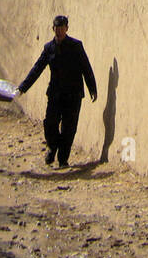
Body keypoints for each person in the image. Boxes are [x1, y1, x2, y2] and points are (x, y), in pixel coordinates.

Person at [16, 15, 97, 169]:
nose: (59, 31)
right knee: (50, 124)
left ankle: (63, 159)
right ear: (53, 29)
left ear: (67, 28)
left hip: (73, 94)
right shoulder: (49, 48)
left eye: (62, 28)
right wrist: (23, 87)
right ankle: (52, 147)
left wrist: (92, 87)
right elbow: (37, 68)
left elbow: (86, 67)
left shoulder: (76, 46)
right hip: (55, 94)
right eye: (56, 28)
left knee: (69, 128)